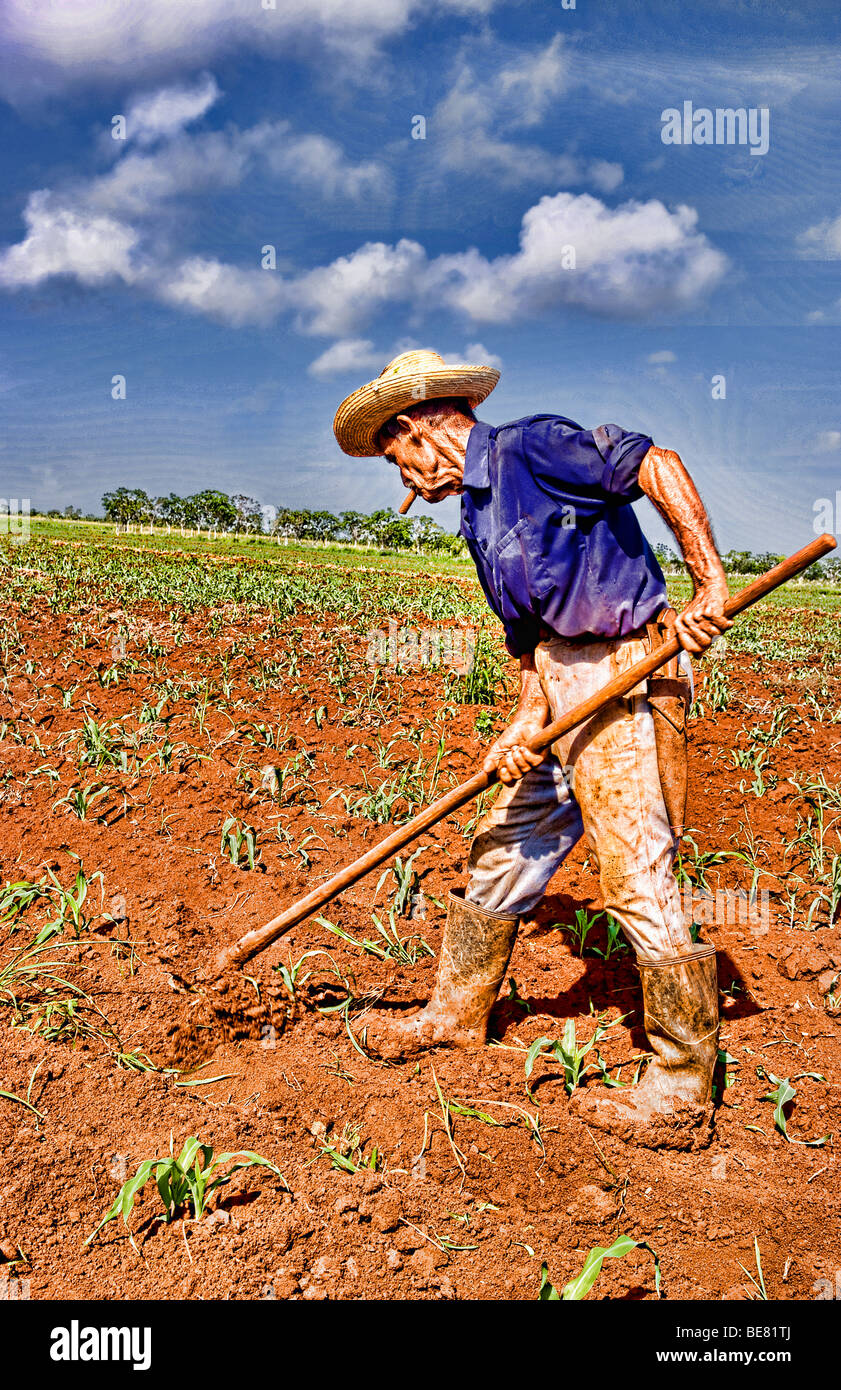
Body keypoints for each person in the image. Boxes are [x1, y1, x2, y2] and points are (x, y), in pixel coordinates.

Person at [333, 350, 731, 1147]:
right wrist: (524, 716)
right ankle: (452, 1014)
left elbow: (657, 462)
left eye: (394, 459)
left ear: (412, 429)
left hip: (623, 669)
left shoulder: (529, 446)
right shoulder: (478, 513)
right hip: (556, 685)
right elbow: (528, 634)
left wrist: (708, 582)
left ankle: (682, 1084)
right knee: (501, 847)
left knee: (635, 872)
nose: (402, 480)